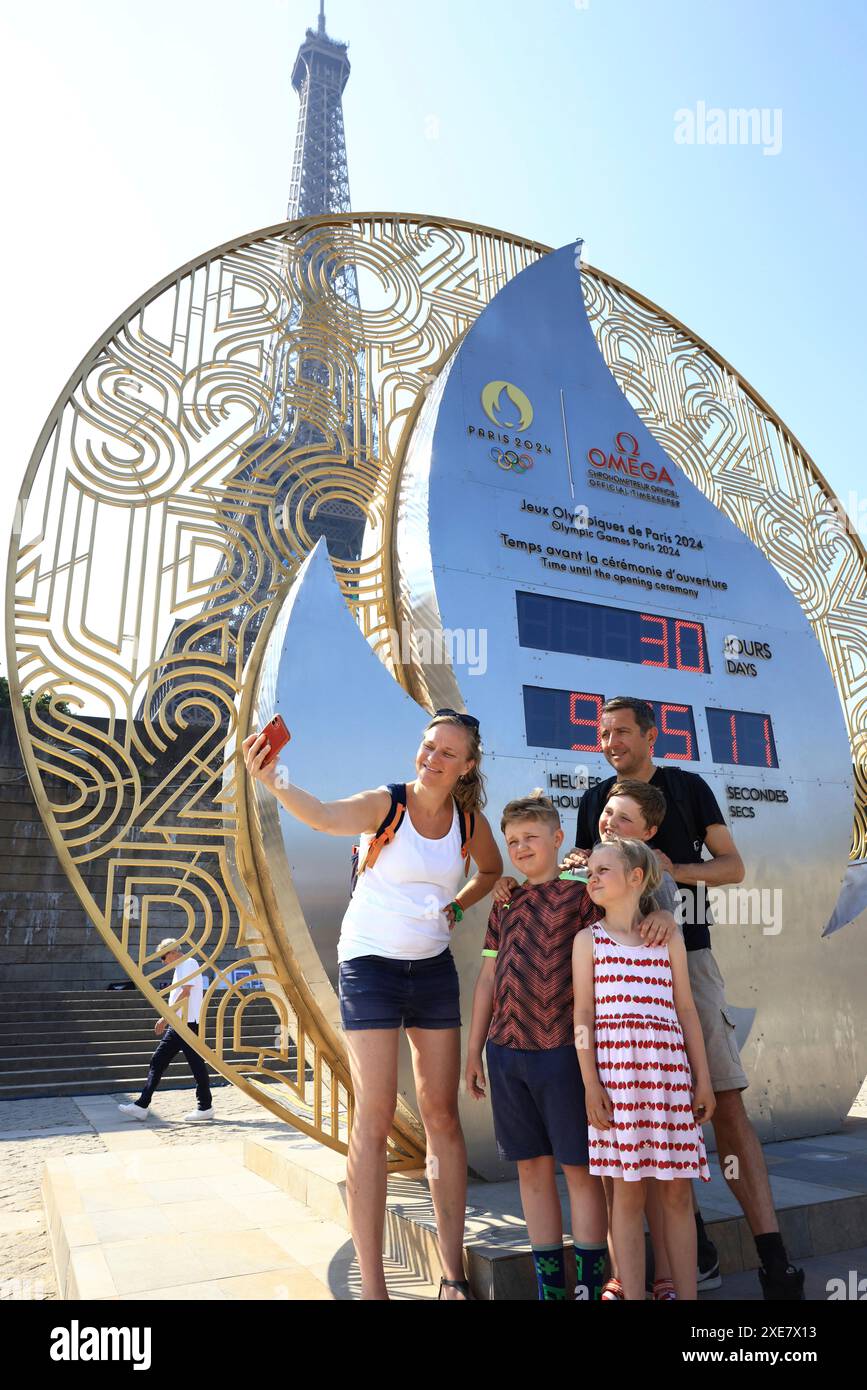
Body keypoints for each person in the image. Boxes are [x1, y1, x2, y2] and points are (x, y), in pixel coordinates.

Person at [243, 709, 502, 1301]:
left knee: (441, 1115)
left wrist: (459, 906)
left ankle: (452, 1277)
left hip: (432, 970)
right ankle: (375, 1289)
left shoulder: (468, 819)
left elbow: (489, 869)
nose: (431, 758)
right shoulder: (387, 804)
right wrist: (274, 778)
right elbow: (326, 816)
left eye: (446, 752)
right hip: (370, 968)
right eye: (428, 745)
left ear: (466, 767)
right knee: (376, 1115)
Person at [566, 695, 804, 1301]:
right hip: (621, 976)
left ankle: (773, 1256)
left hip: (685, 957)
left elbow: (733, 867)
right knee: (636, 1120)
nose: (610, 741)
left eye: (622, 731)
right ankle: (684, 1255)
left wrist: (672, 875)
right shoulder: (594, 801)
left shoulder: (689, 786)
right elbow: (585, 873)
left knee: (721, 1099)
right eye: (602, 732)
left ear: (651, 735)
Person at [465, 791, 678, 1300]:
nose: (520, 848)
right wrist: (473, 1051)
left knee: (580, 1171)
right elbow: (487, 978)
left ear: (558, 839)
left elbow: (635, 906)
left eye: (531, 838)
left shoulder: (584, 892)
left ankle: (589, 1285)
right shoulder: (506, 901)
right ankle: (552, 1291)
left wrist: (665, 917)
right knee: (530, 1171)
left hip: (563, 1053)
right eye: (512, 841)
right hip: (507, 1052)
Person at [573, 837, 715, 1301]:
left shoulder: (667, 936)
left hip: (670, 1080)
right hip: (617, 1083)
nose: (592, 878)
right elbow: (583, 1020)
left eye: (603, 871)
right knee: (628, 1196)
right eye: (590, 871)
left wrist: (704, 1079)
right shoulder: (587, 941)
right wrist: (591, 1083)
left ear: (636, 878)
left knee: (676, 1193)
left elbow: (687, 1010)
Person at [118, 938, 214, 1122]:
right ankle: (142, 1105)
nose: (163, 962)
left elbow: (185, 993)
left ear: (172, 952)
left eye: (163, 957)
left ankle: (205, 1106)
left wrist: (164, 1018)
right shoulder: (181, 967)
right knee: (160, 1061)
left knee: (191, 1064)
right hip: (179, 1023)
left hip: (186, 1023)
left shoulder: (189, 963)